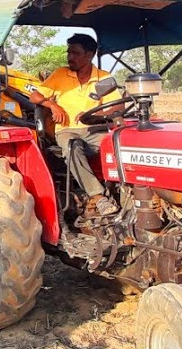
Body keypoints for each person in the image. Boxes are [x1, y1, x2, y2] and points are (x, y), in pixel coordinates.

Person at [26, 33, 122, 216]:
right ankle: (98, 197)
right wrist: (52, 105)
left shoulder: (103, 77)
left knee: (119, 144)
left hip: (95, 130)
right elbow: (34, 96)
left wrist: (96, 114)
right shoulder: (60, 74)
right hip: (67, 130)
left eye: (75, 53)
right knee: (72, 146)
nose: (70, 57)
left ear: (89, 55)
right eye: (69, 53)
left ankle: (127, 191)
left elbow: (117, 105)